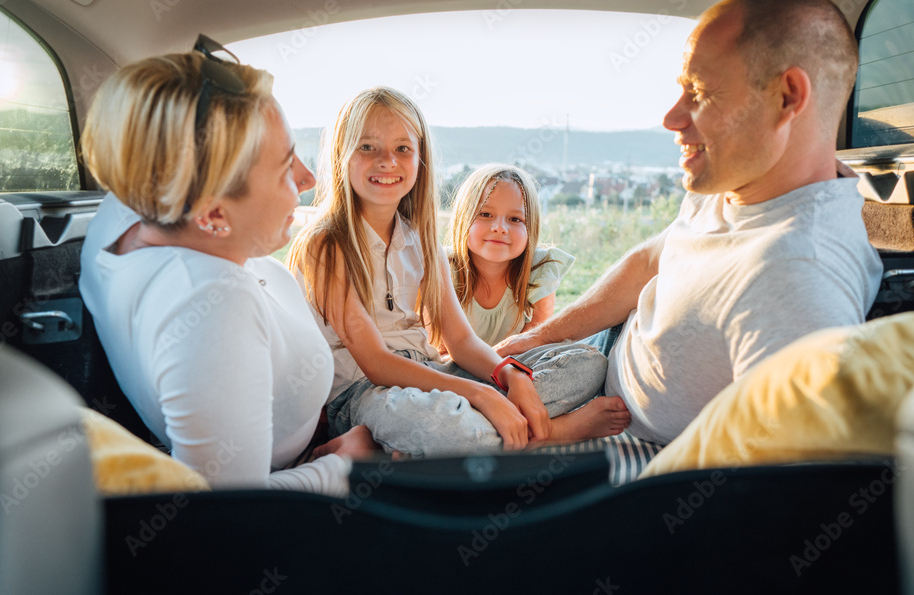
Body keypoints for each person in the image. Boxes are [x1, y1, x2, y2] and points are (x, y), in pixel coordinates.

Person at [498, 0, 883, 446]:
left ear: (787, 96)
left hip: (632, 446)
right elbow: (650, 261)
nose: (671, 118)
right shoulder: (736, 184)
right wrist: (538, 338)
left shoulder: (797, 276)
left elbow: (776, 482)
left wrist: (557, 438)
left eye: (699, 93)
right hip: (596, 365)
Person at [78, 39, 375, 496]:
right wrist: (343, 468)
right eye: (283, 169)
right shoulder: (210, 309)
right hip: (322, 463)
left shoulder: (132, 205)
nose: (308, 178)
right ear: (214, 214)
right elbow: (230, 512)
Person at [288, 87, 630, 457]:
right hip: (364, 393)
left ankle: (485, 430)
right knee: (446, 428)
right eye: (367, 147)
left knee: (588, 364)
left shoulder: (420, 242)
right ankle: (550, 433)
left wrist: (509, 377)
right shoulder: (325, 244)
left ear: (420, 160)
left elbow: (462, 343)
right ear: (342, 156)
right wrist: (480, 393)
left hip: (432, 374)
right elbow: (375, 362)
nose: (387, 161)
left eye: (403, 148)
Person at [445, 164, 575, 347]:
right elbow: (440, 349)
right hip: (453, 366)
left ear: (531, 228)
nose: (500, 228)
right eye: (485, 214)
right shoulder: (443, 268)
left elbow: (532, 344)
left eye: (515, 219)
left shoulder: (539, 269)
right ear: (462, 219)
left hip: (514, 363)